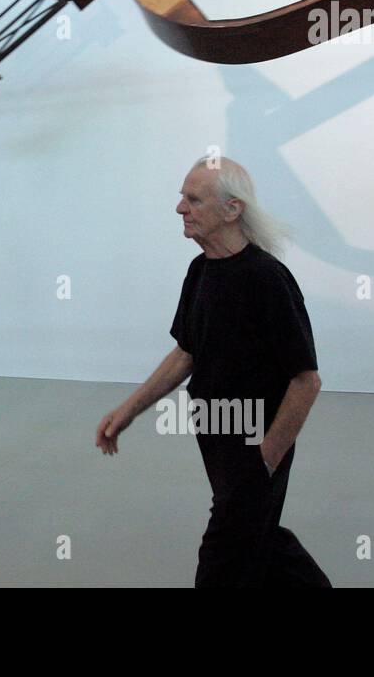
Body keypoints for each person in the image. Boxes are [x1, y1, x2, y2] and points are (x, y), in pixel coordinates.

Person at [96, 156, 331, 587]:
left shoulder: (267, 279)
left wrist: (267, 457)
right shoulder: (201, 271)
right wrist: (128, 411)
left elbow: (306, 380)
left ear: (232, 209)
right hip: (216, 438)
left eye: (193, 199)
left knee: (222, 558)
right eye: (182, 198)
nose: (180, 209)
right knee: (261, 540)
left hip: (254, 439)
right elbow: (187, 353)